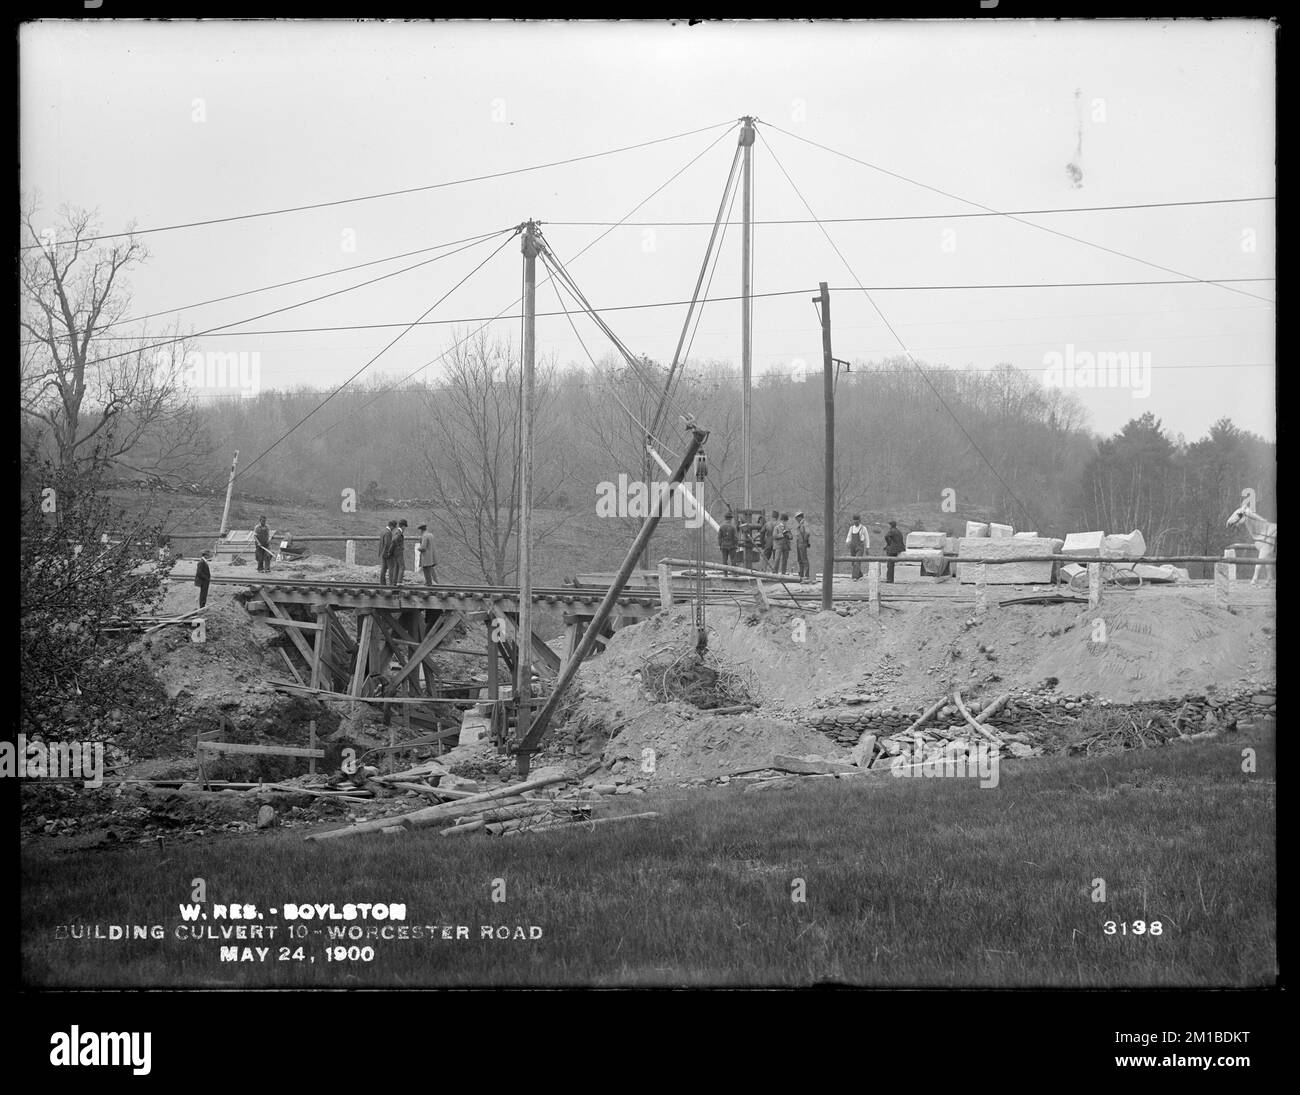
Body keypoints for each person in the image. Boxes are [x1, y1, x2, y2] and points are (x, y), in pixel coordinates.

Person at [846, 514, 869, 580]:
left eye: (857, 522)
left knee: (857, 561)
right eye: (854, 522)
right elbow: (849, 536)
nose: (856, 523)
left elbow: (867, 538)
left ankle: (854, 577)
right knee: (853, 562)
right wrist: (847, 542)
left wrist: (867, 547)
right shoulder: (851, 528)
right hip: (852, 546)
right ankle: (860, 574)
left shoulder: (863, 528)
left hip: (860, 546)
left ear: (859, 521)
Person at [389, 519, 408, 585]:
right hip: (398, 552)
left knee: (396, 566)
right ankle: (399, 582)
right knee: (402, 566)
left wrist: (391, 551)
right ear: (403, 526)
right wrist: (399, 547)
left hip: (395, 551)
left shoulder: (396, 531)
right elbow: (394, 540)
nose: (405, 528)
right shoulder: (399, 532)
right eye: (405, 526)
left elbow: (394, 540)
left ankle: (395, 582)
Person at [795, 511, 812, 582]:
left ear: (800, 517)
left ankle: (806, 575)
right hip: (799, 543)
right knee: (800, 559)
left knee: (804, 559)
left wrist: (804, 540)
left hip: (802, 543)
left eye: (796, 518)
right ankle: (801, 574)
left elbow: (807, 533)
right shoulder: (800, 524)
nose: (796, 519)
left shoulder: (804, 524)